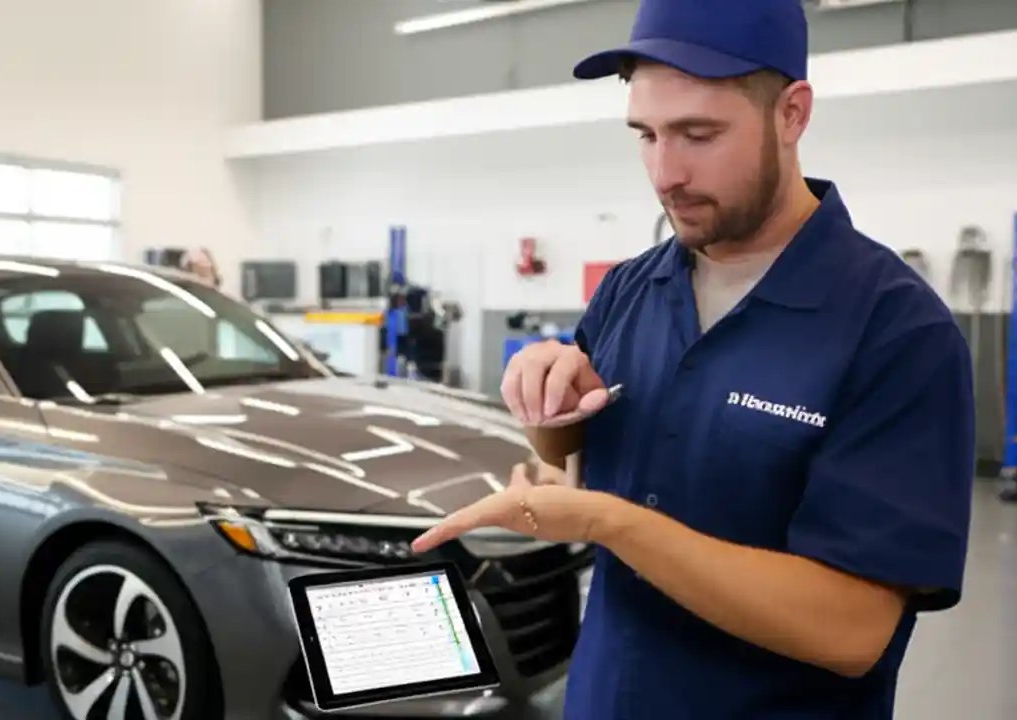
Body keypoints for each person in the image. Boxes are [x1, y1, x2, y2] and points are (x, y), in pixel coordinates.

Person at [409, 0, 976, 718]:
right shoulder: (631, 288)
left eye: (698, 134)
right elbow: (568, 469)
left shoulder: (895, 330)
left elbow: (852, 628)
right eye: (645, 134)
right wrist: (549, 413)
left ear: (793, 114)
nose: (665, 172)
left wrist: (608, 522)